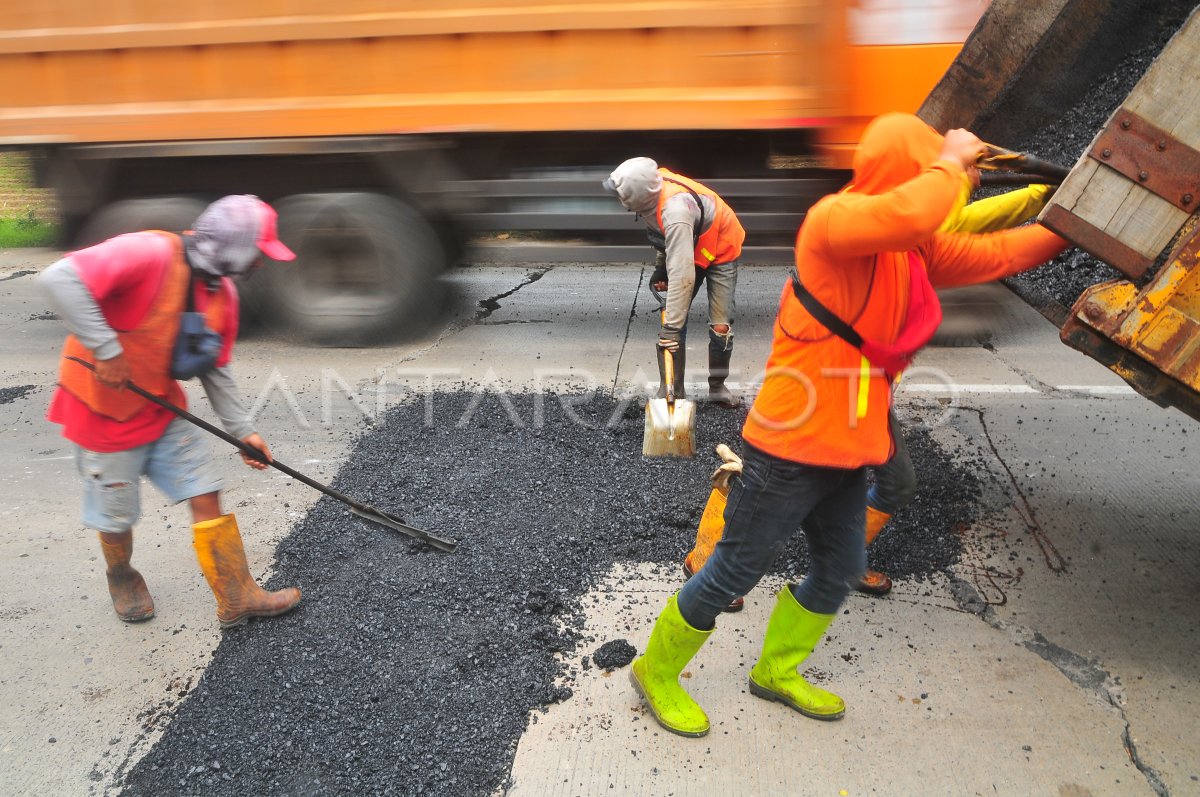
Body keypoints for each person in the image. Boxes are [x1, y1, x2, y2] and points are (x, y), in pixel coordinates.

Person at [629, 113, 1071, 737]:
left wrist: (1070, 228)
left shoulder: (905, 250)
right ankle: (657, 671)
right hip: (789, 444)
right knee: (733, 569)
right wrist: (953, 160)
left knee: (837, 569)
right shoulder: (834, 222)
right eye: (933, 172)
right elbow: (917, 212)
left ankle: (776, 671)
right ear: (907, 171)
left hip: (850, 446)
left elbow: (996, 250)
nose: (955, 185)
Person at [37, 195, 303, 630]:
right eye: (258, 251)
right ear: (235, 245)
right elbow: (58, 278)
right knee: (116, 517)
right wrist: (106, 350)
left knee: (204, 492)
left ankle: (237, 596)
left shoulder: (223, 295)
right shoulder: (149, 253)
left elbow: (214, 367)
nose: (260, 262)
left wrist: (243, 432)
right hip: (101, 414)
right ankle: (121, 575)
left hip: (161, 414)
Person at [857, 177, 1054, 595]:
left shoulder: (914, 227)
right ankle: (714, 555)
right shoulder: (872, 234)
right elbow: (979, 232)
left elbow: (981, 225)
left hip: (866, 392)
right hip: (833, 392)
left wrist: (1042, 195)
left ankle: (844, 559)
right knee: (788, 484)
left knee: (888, 482)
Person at [603, 158, 746, 407]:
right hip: (688, 241)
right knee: (673, 317)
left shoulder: (676, 210)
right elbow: (664, 237)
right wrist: (661, 268)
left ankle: (717, 388)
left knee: (718, 325)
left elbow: (682, 274)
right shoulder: (649, 195)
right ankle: (671, 390)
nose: (618, 198)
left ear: (635, 193)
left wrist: (671, 328)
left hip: (721, 246)